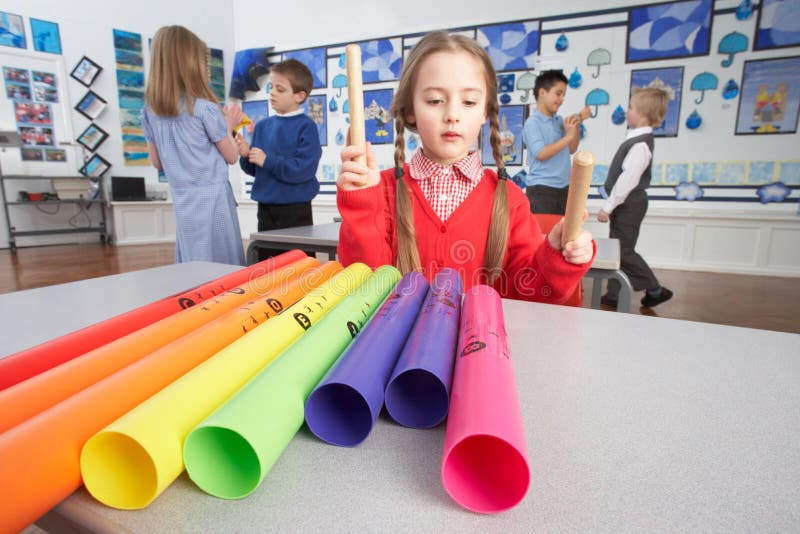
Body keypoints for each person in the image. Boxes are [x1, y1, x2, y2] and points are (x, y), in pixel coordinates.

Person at [336, 31, 595, 303]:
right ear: (410, 108)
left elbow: (530, 293)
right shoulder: (382, 192)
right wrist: (362, 203)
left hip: (481, 345)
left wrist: (556, 255)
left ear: (485, 111)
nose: (452, 115)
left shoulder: (510, 200)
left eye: (469, 102)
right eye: (435, 100)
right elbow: (366, 288)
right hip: (402, 345)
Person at [142, 25, 245, 266]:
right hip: (214, 196)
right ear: (192, 64)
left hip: (182, 195)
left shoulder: (149, 112)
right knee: (223, 258)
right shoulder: (203, 109)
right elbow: (231, 155)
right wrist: (229, 123)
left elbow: (157, 162)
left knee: (193, 257)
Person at [236, 59, 322, 260]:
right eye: (271, 87)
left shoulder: (306, 127)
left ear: (299, 96)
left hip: (295, 209)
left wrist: (268, 161)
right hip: (266, 207)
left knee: (298, 262)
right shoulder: (262, 127)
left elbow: (304, 169)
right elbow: (255, 170)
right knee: (267, 261)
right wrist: (246, 156)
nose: (272, 93)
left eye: (280, 89)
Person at [597, 87, 673, 308]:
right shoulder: (636, 140)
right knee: (617, 249)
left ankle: (655, 289)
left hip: (630, 204)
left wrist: (608, 207)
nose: (627, 111)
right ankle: (613, 294)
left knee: (623, 251)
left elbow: (627, 180)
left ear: (644, 114)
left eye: (631, 107)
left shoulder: (640, 145)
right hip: (628, 204)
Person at [522, 70, 590, 215]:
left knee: (561, 236)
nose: (561, 99)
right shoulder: (532, 123)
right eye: (558, 93)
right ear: (542, 93)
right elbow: (541, 153)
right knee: (542, 236)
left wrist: (575, 127)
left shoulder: (560, 121)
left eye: (563, 95)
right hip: (542, 191)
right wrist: (568, 136)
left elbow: (572, 148)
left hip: (564, 189)